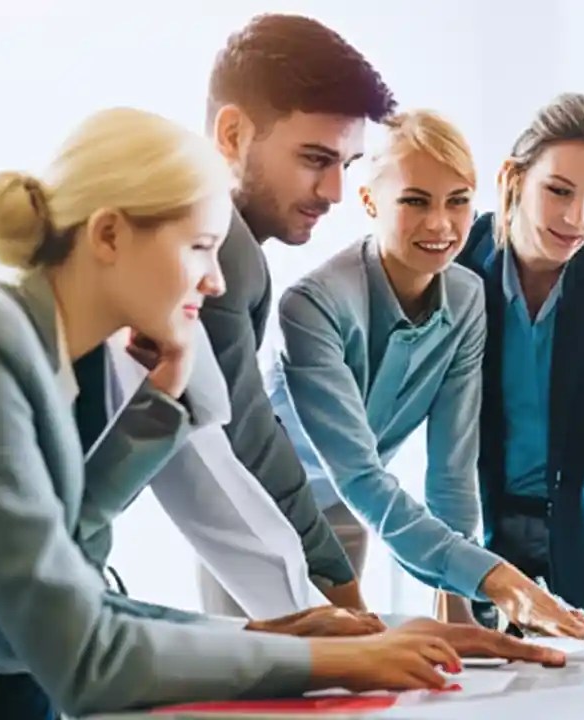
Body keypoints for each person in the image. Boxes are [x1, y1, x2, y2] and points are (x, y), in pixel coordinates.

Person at [0, 106, 461, 719]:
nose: (217, 282)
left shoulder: (46, 360)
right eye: (201, 248)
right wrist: (320, 661)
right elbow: (78, 653)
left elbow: (69, 588)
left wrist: (270, 637)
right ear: (109, 235)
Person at [268, 108, 584, 640]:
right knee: (265, 670)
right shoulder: (311, 307)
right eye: (415, 201)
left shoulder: (467, 296)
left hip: (345, 513)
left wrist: (463, 614)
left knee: (354, 665)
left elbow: (451, 473)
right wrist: (499, 581)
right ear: (370, 202)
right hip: (260, 510)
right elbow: (360, 474)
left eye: (458, 201)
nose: (441, 225)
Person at [194, 12, 394, 614]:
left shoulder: (223, 243)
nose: (335, 192)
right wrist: (350, 601)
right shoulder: (221, 249)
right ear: (233, 134)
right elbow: (248, 438)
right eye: (314, 158)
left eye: (347, 165)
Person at [456, 93, 584, 624]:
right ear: (514, 178)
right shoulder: (459, 259)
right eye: (559, 191)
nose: (578, 218)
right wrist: (449, 570)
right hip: (477, 527)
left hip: (578, 532)